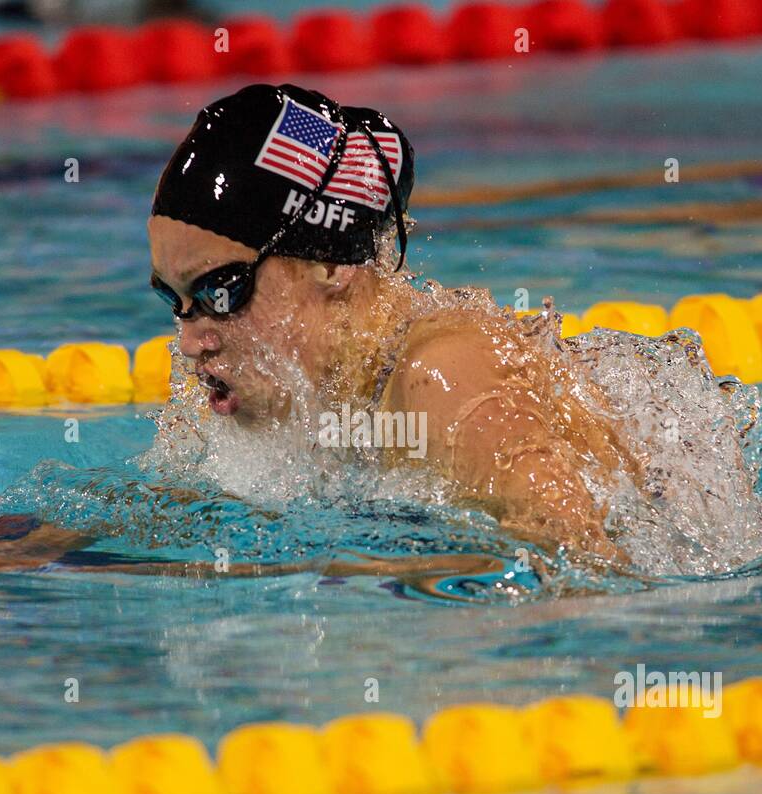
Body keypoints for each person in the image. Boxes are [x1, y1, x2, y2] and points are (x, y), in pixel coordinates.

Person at [146, 83, 641, 564]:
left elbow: (586, 568)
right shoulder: (330, 404)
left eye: (220, 291)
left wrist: (345, 575)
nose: (190, 341)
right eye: (175, 298)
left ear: (330, 263)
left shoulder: (443, 377)